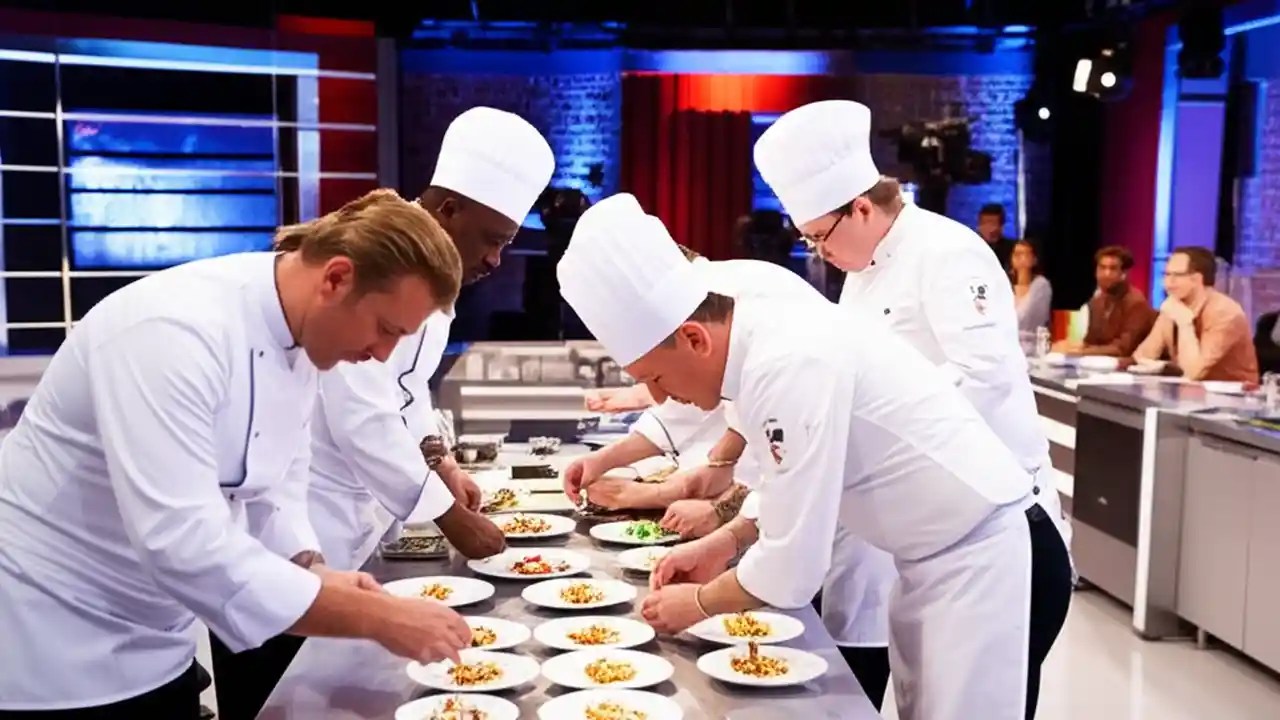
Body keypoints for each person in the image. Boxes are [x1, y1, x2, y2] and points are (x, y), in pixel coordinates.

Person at [558, 193, 1072, 720]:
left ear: (694, 338)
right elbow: (793, 482)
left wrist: (699, 603)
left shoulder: (784, 360)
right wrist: (727, 541)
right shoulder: (758, 341)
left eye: (655, 378)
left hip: (984, 562)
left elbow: (792, 568)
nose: (659, 396)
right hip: (935, 564)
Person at [0, 190, 475, 717]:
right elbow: (182, 541)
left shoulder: (298, 333)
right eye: (385, 329)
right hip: (54, 641)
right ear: (336, 278)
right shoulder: (173, 332)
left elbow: (277, 485)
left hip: (157, 637)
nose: (383, 355)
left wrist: (312, 568)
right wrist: (375, 618)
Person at [206, 107, 554, 720]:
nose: (498, 260)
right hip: (295, 526)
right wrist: (448, 516)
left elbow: (405, 390)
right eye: (494, 239)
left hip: (325, 531)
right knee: (278, 693)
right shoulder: (375, 273)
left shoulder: (430, 285)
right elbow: (362, 413)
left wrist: (441, 464)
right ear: (449, 209)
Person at [752, 99, 1072, 707]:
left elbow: (983, 379)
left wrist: (862, 447)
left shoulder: (948, 252)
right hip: (921, 529)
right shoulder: (862, 267)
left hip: (997, 520)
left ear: (861, 207)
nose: (818, 252)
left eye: (819, 236)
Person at [563, 235, 822, 540]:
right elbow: (696, 408)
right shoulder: (719, 322)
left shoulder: (748, 310)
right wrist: (604, 460)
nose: (657, 396)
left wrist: (716, 510)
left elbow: (785, 477)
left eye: (655, 378)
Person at [1133, 246, 1259, 382]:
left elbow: (1193, 372)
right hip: (1186, 390)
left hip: (1232, 392)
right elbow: (1142, 357)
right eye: (1166, 274)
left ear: (1197, 279)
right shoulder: (1174, 306)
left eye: (1177, 275)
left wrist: (1184, 323)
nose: (1168, 282)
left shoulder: (1225, 313)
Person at [1052, 246, 1155, 357]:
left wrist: (1080, 352)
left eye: (1112, 269)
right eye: (1102, 268)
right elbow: (1091, 341)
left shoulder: (1137, 303)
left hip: (1125, 365)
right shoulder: (1097, 301)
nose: (1106, 274)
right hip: (1097, 363)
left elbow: (1122, 349)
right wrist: (1071, 346)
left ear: (1124, 273)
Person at [1010, 239, 1053, 349]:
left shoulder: (1041, 286)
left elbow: (1035, 321)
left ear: (1034, 259)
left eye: (1024, 253)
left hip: (1031, 345)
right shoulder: (1005, 285)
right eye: (1016, 254)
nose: (1019, 257)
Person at [977, 202, 1016, 271]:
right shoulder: (972, 247)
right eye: (984, 223)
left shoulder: (1013, 249)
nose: (988, 228)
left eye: (992, 223)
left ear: (1001, 226)